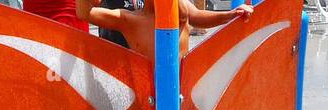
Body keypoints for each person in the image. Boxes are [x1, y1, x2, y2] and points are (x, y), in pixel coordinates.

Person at [76, 0, 253, 60]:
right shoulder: (130, 19)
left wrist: (231, 14)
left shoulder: (179, 10)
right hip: (143, 91)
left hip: (181, 89)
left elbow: (198, 15)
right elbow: (84, 13)